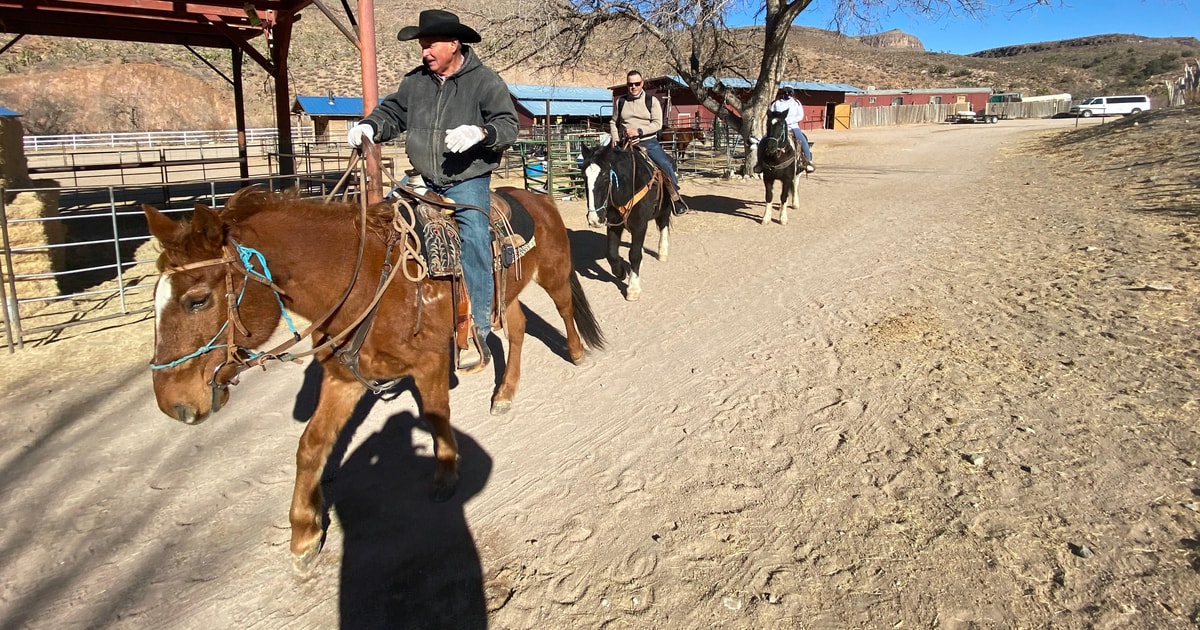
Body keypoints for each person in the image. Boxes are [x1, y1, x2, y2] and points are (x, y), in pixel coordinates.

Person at [346, 9, 518, 373]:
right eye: (422, 46)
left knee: (472, 233)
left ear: (454, 44)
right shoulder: (415, 82)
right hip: (422, 178)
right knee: (381, 226)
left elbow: (507, 123)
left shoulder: (484, 81)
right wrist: (370, 126)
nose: (424, 52)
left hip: (467, 178)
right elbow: (392, 113)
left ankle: (478, 326)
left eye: (430, 45)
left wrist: (482, 134)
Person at [609, 69, 688, 216]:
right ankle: (608, 203)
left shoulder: (651, 101)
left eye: (636, 83)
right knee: (607, 167)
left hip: (648, 142)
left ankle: (675, 199)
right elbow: (613, 122)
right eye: (630, 84)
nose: (633, 87)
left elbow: (658, 124)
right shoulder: (621, 102)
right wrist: (615, 138)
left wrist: (639, 131)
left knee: (665, 164)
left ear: (642, 84)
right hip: (626, 143)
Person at [767, 87, 815, 172]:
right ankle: (760, 163)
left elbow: (800, 115)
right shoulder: (776, 103)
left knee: (803, 141)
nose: (787, 94)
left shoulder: (796, 103)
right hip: (778, 126)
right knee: (764, 140)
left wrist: (788, 121)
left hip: (792, 126)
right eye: (785, 92)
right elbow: (771, 114)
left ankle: (808, 162)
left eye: (789, 92)